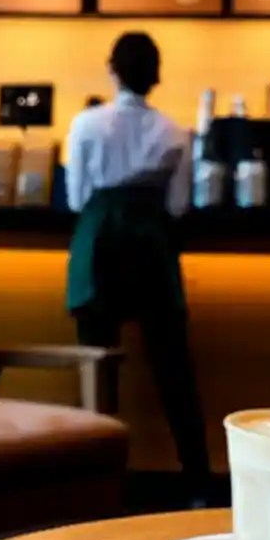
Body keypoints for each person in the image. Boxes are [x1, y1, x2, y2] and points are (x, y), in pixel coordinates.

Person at [63, 32, 212, 505]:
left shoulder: (86, 125)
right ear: (156, 76)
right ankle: (198, 485)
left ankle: (94, 482)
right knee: (173, 371)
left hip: (99, 245)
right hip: (151, 248)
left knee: (97, 365)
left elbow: (75, 199)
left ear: (112, 70)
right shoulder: (175, 133)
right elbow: (180, 204)